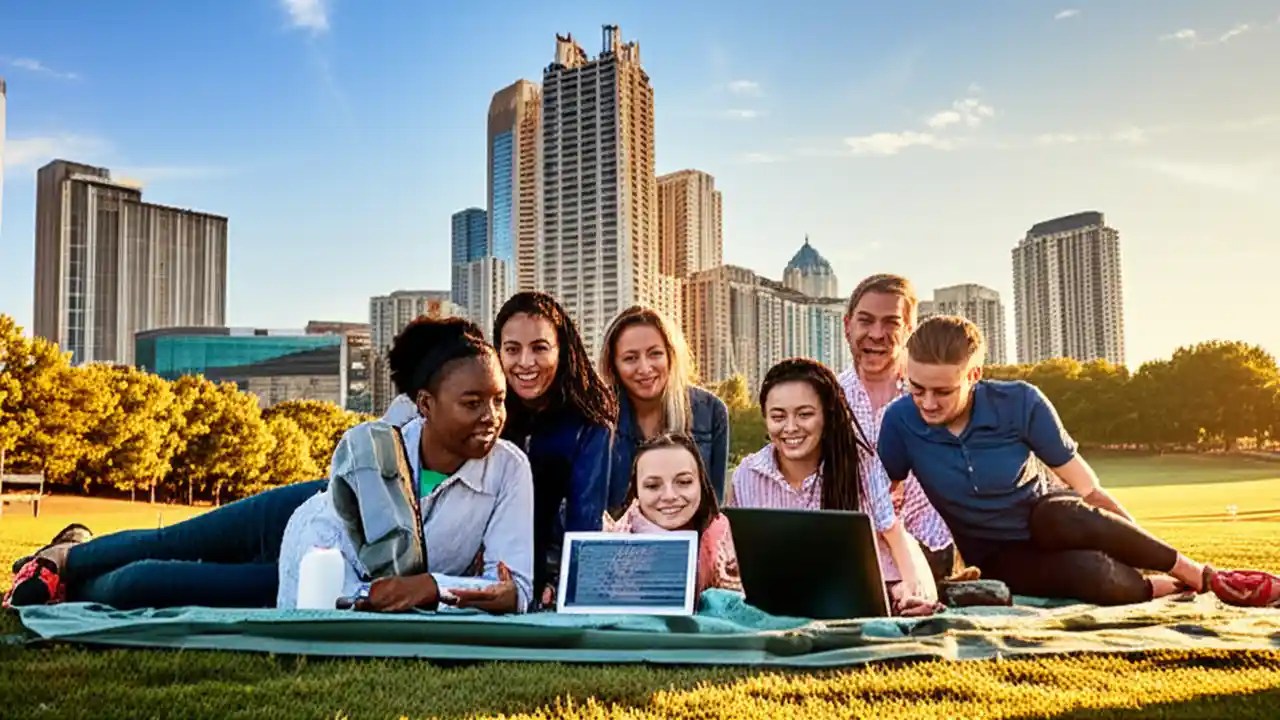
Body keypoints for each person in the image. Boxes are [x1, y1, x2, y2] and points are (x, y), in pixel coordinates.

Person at [6, 317, 534, 614]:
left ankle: (70, 592)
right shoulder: (386, 436)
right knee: (168, 542)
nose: (492, 416)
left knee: (140, 585)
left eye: (499, 401)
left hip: (320, 580)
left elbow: (513, 588)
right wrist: (437, 587)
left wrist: (430, 587)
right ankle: (65, 556)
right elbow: (347, 509)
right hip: (306, 514)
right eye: (473, 402)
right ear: (425, 403)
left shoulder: (509, 471)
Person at [877, 315, 1213, 605]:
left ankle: (1197, 575)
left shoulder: (1020, 401)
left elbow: (1088, 490)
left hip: (1051, 519)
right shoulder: (899, 421)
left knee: (1058, 514)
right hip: (999, 555)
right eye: (917, 388)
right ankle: (1156, 588)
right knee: (1092, 573)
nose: (928, 403)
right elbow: (882, 503)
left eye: (943, 392)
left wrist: (1150, 551)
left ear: (974, 375)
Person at [728, 358, 940, 616]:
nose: (791, 427)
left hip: (878, 593)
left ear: (827, 416)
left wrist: (911, 589)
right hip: (782, 602)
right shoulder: (746, 475)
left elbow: (894, 533)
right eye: (778, 416)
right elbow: (737, 553)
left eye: (805, 414)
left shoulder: (863, 465)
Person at [493, 291, 616, 608]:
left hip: (546, 577)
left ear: (562, 351)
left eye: (539, 348)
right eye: (512, 349)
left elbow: (584, 521)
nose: (525, 363)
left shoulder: (590, 425)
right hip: (484, 568)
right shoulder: (487, 414)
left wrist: (560, 580)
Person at [838, 274, 958, 587]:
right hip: (855, 558)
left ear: (909, 331)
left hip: (933, 552)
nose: (877, 334)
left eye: (890, 323)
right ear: (847, 325)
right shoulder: (826, 399)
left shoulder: (941, 395)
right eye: (866, 321)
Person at [600, 306, 729, 507]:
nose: (644, 368)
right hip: (618, 536)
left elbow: (713, 507)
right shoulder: (596, 414)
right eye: (630, 358)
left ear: (670, 355)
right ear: (613, 365)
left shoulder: (710, 411)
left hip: (689, 536)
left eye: (655, 354)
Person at [604, 433, 742, 595]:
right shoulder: (608, 542)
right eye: (653, 486)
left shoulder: (725, 538)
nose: (669, 496)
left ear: (701, 484)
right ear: (636, 492)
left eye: (683, 482)